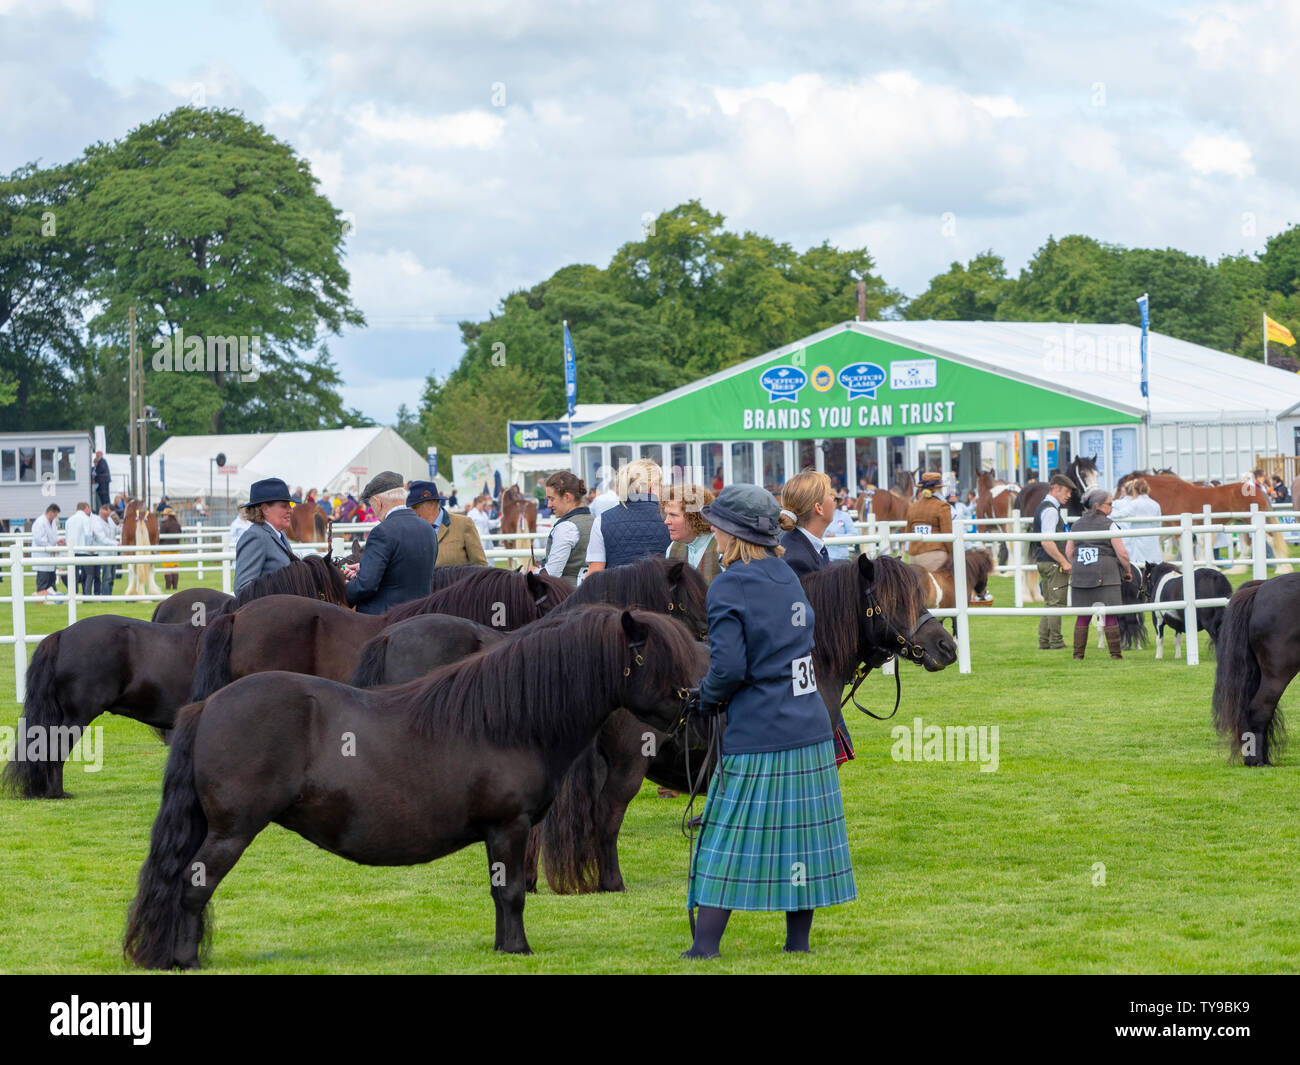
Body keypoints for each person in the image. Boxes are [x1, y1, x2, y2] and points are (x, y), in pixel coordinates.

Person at [682, 483, 856, 960]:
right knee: (802, 841)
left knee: (724, 837)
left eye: (717, 528)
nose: (713, 535)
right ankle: (796, 945)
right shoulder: (786, 573)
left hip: (758, 732)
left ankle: (704, 949)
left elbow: (730, 668)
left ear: (732, 533)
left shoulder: (728, 585)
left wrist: (705, 700)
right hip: (812, 729)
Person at [344, 471, 437, 614]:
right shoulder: (428, 529)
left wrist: (342, 589)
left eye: (371, 505)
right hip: (420, 617)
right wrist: (365, 567)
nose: (372, 510)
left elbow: (365, 586)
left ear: (378, 502)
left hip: (385, 621)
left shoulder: (381, 532)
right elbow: (405, 570)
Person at [1066, 488, 1133, 661]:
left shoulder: (1077, 524)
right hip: (1107, 574)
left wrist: (1079, 565)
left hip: (1081, 575)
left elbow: (1069, 551)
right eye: (1110, 504)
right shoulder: (1109, 524)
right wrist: (1127, 571)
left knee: (1083, 616)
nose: (1111, 508)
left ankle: (1077, 655)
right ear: (1099, 505)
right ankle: (1115, 655)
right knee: (1109, 613)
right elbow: (1122, 553)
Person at [585, 458, 670, 574]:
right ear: (653, 486)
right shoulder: (671, 518)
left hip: (617, 589)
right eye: (660, 483)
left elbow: (595, 571)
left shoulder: (602, 521)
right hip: (663, 589)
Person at [1032, 473, 1075, 650]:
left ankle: (1044, 641)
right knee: (1056, 603)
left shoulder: (1046, 507)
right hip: (1052, 562)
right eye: (1066, 491)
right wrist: (1063, 561)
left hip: (1045, 561)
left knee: (1049, 603)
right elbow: (1047, 541)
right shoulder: (1050, 510)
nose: (1069, 495)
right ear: (1056, 488)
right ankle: (1056, 641)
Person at [234, 478, 297, 592]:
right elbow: (242, 589)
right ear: (265, 509)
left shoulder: (280, 534)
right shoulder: (255, 537)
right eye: (284, 505)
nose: (290, 510)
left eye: (290, 505)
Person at [410, 481, 488, 567]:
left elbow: (480, 565)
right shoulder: (413, 531)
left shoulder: (463, 524)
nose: (413, 512)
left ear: (431, 504)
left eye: (415, 507)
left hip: (459, 580)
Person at [777, 470, 836, 577]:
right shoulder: (798, 561)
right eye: (830, 494)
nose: (833, 498)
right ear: (819, 508)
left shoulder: (798, 544)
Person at [540, 471, 593, 587]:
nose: (549, 504)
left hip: (567, 598)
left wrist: (533, 572)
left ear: (567, 497)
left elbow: (551, 574)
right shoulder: (595, 520)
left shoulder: (566, 527)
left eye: (551, 499)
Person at [662, 483, 720, 584]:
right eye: (667, 514)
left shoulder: (722, 548)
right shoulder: (673, 548)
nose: (666, 521)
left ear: (695, 517)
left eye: (673, 515)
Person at [1108, 477, 1163, 572]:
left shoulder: (1135, 504)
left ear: (1134, 490)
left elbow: (1120, 514)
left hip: (1139, 544)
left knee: (1140, 569)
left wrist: (1103, 514)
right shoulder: (1155, 504)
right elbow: (1158, 524)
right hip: (1153, 542)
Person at [903, 471, 952, 572]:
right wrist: (954, 554)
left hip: (914, 556)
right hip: (935, 554)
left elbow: (907, 533)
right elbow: (948, 536)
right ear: (938, 488)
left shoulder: (913, 507)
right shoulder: (942, 506)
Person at [32, 503, 64, 604]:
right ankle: (40, 600)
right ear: (50, 512)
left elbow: (53, 537)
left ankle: (52, 599)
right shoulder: (40, 522)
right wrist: (52, 547)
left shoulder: (52, 522)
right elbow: (40, 540)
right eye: (55, 514)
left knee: (51, 579)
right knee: (43, 579)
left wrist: (58, 541)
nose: (56, 517)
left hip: (50, 555)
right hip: (42, 555)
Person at [65, 501, 94, 596]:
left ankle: (74, 594)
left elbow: (67, 536)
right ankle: (87, 594)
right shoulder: (86, 518)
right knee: (89, 573)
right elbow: (88, 534)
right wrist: (90, 547)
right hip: (84, 550)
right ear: (86, 508)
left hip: (72, 550)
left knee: (74, 574)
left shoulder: (69, 520)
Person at [91, 502, 119, 596]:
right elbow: (102, 539)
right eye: (105, 514)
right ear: (100, 512)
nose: (106, 516)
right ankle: (106, 596)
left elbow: (117, 530)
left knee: (112, 577)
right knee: (107, 577)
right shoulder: (97, 523)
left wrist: (123, 526)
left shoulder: (110, 520)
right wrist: (116, 544)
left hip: (113, 553)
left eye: (107, 514)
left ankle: (109, 595)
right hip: (104, 554)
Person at [824, 488, 858, 562]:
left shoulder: (844, 516)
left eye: (833, 500)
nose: (830, 503)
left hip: (840, 558)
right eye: (827, 500)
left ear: (836, 502)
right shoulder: (819, 517)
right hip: (823, 558)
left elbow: (854, 535)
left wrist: (836, 536)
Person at [159, 506, 183, 591]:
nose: (164, 516)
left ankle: (168, 588)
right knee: (175, 568)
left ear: (168, 516)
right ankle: (175, 587)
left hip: (165, 550)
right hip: (175, 549)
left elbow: (160, 537)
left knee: (167, 569)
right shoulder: (177, 524)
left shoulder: (164, 524)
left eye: (165, 515)